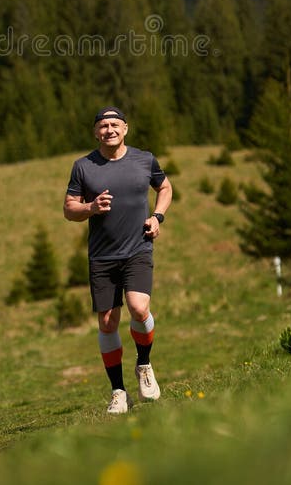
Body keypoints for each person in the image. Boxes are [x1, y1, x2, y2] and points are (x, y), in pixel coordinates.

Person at [63, 106, 173, 414]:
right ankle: (119, 392)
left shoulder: (145, 159)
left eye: (115, 124)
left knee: (139, 308)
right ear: (95, 133)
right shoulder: (83, 166)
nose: (109, 130)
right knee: (108, 323)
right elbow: (69, 208)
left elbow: (165, 187)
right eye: (103, 126)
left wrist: (157, 216)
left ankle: (144, 365)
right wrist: (91, 208)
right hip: (102, 256)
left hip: (138, 248)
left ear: (125, 129)